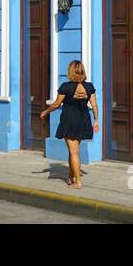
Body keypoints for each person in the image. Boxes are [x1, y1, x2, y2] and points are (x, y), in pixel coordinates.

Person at [41, 59, 99, 188]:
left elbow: (56, 104)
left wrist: (45, 112)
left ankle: (78, 182)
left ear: (71, 72)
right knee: (74, 151)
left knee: (73, 153)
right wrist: (96, 120)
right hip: (84, 120)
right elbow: (94, 105)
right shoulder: (89, 87)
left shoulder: (66, 87)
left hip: (70, 120)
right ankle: (71, 177)